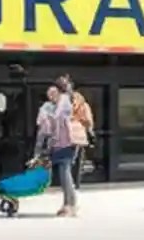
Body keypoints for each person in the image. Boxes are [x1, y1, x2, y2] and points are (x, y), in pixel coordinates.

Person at [45, 75, 84, 217]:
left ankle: (71, 205)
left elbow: (57, 117)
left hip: (65, 141)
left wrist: (48, 116)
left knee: (65, 173)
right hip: (66, 141)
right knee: (64, 173)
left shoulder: (64, 99)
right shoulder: (69, 98)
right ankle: (68, 204)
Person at [70, 89, 95, 185]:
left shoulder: (66, 107)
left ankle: (68, 181)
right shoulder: (84, 106)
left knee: (68, 161)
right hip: (80, 137)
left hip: (68, 136)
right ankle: (76, 182)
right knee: (78, 160)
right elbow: (89, 122)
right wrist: (90, 131)